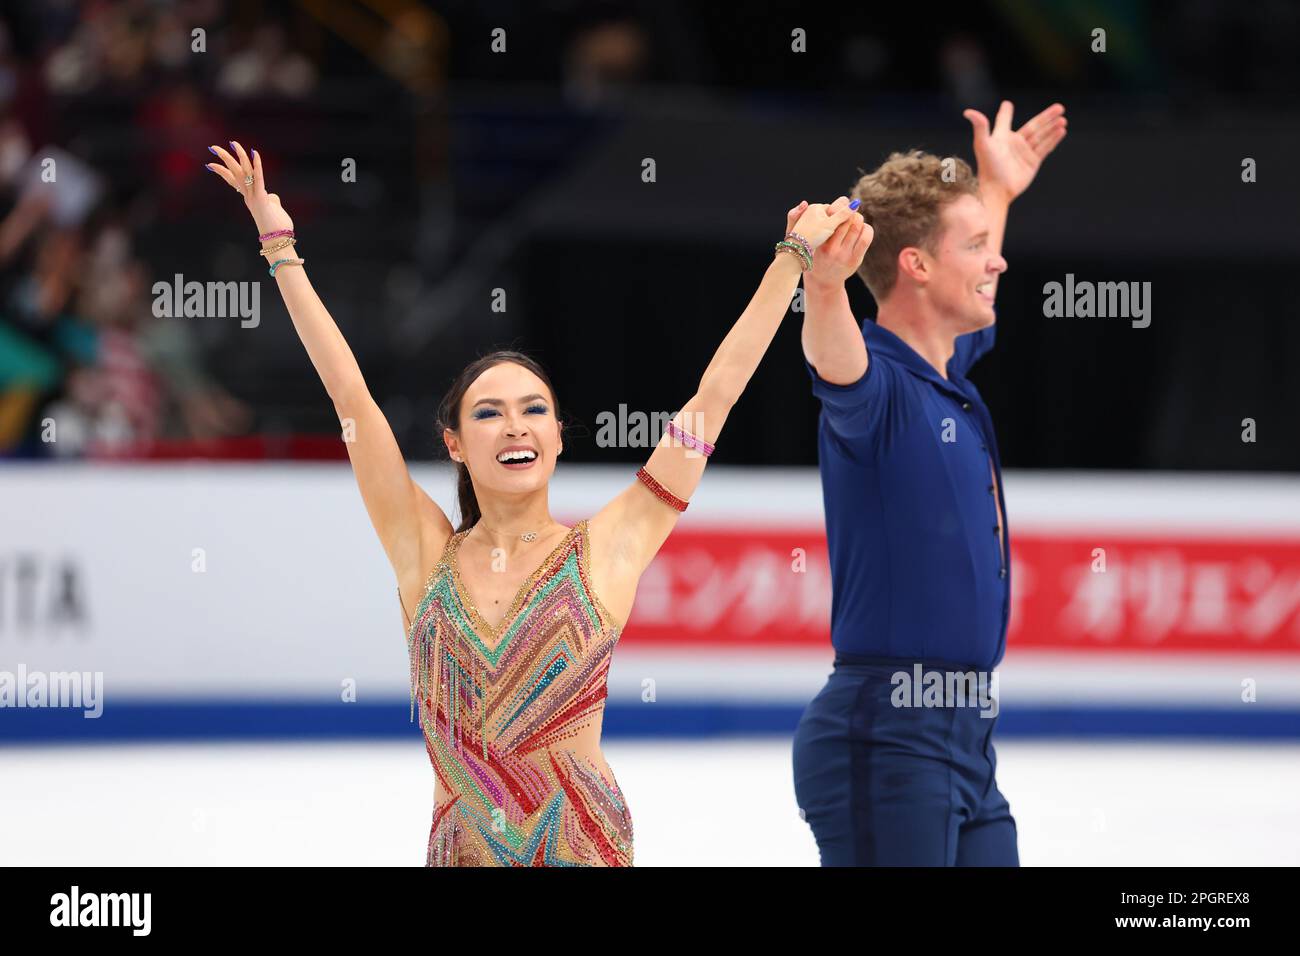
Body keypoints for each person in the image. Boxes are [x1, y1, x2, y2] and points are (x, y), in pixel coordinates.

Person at [204, 139, 860, 866]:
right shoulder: (423, 551)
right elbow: (348, 393)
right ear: (454, 443)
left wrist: (790, 259)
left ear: (555, 436)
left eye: (532, 410)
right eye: (489, 413)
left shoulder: (609, 546)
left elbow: (717, 395)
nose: (514, 425)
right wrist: (279, 246)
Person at [792, 102, 1067, 866]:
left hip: (967, 741)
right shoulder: (876, 391)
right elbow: (831, 358)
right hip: (886, 740)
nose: (997, 261)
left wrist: (998, 192)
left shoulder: (948, 379)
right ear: (915, 264)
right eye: (975, 245)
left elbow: (971, 317)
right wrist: (823, 285)